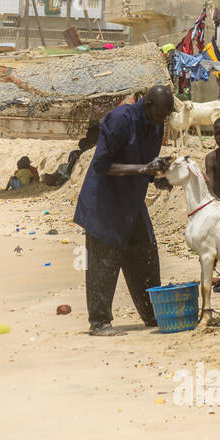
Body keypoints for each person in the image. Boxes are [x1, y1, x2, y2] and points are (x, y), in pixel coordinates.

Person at [72, 85, 175, 336]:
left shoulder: (156, 122)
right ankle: (99, 322)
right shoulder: (119, 120)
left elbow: (145, 162)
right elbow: (101, 165)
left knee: (145, 255)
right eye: (160, 115)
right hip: (105, 201)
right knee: (103, 261)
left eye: (165, 117)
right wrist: (143, 169)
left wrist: (157, 177)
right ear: (148, 104)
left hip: (132, 199)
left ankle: (153, 314)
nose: (162, 121)